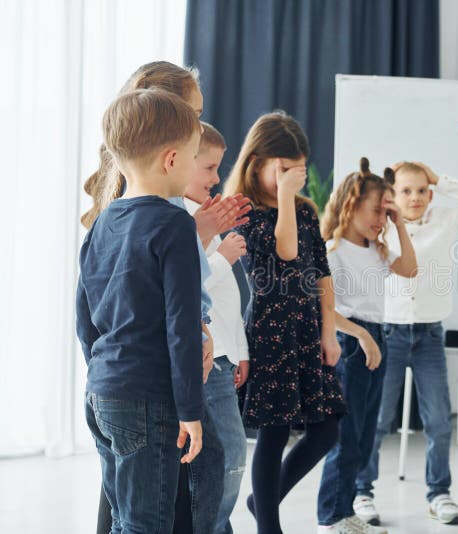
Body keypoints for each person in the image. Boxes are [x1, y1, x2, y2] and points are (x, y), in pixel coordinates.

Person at [76, 88, 205, 533]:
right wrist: (191, 410)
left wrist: (105, 374)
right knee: (145, 525)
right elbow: (182, 328)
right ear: (171, 159)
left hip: (102, 391)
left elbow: (84, 318)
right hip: (148, 398)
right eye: (194, 157)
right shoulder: (175, 224)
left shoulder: (103, 221)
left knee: (124, 520)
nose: (194, 166)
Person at [227, 112, 345, 534]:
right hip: (270, 333)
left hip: (307, 331)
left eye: (298, 169)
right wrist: (286, 198)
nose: (292, 178)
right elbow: (286, 251)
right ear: (256, 161)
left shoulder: (306, 212)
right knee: (274, 433)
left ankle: (263, 500)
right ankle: (269, 526)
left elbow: (322, 275)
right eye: (283, 169)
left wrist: (329, 333)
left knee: (326, 430)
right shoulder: (243, 211)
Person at [354, 161, 458, 526]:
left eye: (422, 190)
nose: (415, 197)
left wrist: (437, 177)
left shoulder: (444, 220)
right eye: (406, 191)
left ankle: (439, 493)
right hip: (389, 334)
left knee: (439, 420)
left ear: (430, 193)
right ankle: (361, 491)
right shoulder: (382, 227)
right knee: (377, 418)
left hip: (429, 335)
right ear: (392, 195)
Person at [316, 158, 417, 534]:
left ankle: (345, 512)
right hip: (350, 342)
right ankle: (331, 518)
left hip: (376, 340)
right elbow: (322, 308)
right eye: (376, 210)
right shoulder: (333, 250)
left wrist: (399, 224)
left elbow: (410, 269)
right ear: (351, 205)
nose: (381, 219)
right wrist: (361, 334)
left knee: (362, 437)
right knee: (345, 437)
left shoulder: (377, 250)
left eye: (385, 212)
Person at [181, 121, 250, 534]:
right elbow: (189, 289)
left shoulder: (204, 217)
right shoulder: (181, 219)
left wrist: (240, 349)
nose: (216, 178)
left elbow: (227, 300)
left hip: (223, 357)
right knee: (224, 461)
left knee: (230, 459)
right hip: (205, 360)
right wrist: (222, 256)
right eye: (208, 168)